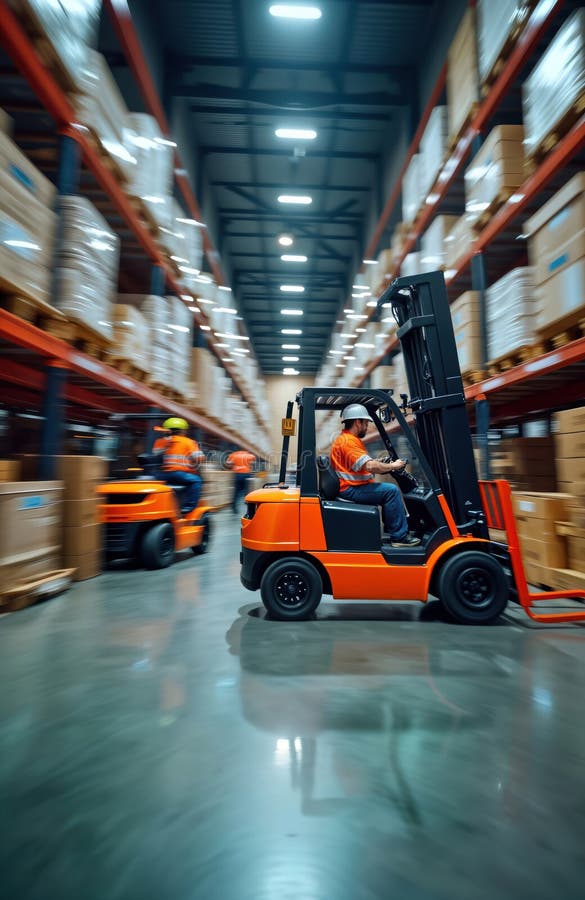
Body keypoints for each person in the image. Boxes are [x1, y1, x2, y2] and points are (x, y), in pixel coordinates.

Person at [330, 403, 420, 548]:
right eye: (366, 423)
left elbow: (361, 465)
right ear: (358, 422)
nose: (367, 427)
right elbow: (370, 466)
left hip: (351, 487)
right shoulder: (348, 442)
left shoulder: (347, 439)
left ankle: (393, 529)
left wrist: (379, 462)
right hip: (350, 489)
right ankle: (399, 537)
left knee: (387, 490)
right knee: (391, 491)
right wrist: (392, 466)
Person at [154, 417, 204, 516]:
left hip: (162, 475)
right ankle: (188, 507)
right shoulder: (188, 442)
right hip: (180, 475)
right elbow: (199, 458)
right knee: (197, 480)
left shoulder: (160, 441)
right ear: (183, 431)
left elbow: (156, 455)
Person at [226, 448, 256, 514]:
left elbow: (228, 463)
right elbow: (253, 462)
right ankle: (249, 509)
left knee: (236, 491)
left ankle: (234, 507)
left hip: (237, 474)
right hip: (246, 474)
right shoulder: (249, 455)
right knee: (247, 491)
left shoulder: (233, 455)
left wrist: (234, 465)